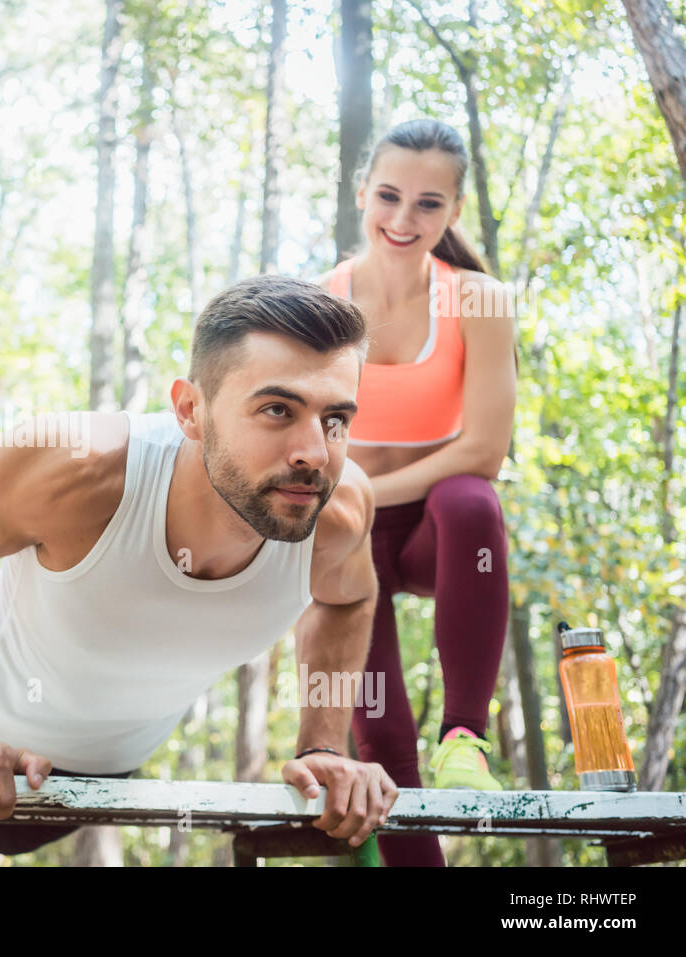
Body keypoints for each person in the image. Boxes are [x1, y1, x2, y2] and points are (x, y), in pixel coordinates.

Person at [0, 275, 399, 860]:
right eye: (278, 409)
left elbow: (347, 599)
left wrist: (319, 746)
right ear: (190, 410)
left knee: (13, 837)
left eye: (336, 419)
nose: (315, 453)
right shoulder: (79, 467)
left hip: (103, 765)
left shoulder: (339, 510)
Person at [318, 118, 517, 867]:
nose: (404, 220)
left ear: (455, 211)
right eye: (390, 196)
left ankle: (465, 737)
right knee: (382, 747)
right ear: (362, 192)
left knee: (471, 497)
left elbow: (484, 451)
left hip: (441, 536)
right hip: (346, 532)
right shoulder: (318, 301)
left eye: (429, 204)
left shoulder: (482, 302)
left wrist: (370, 487)